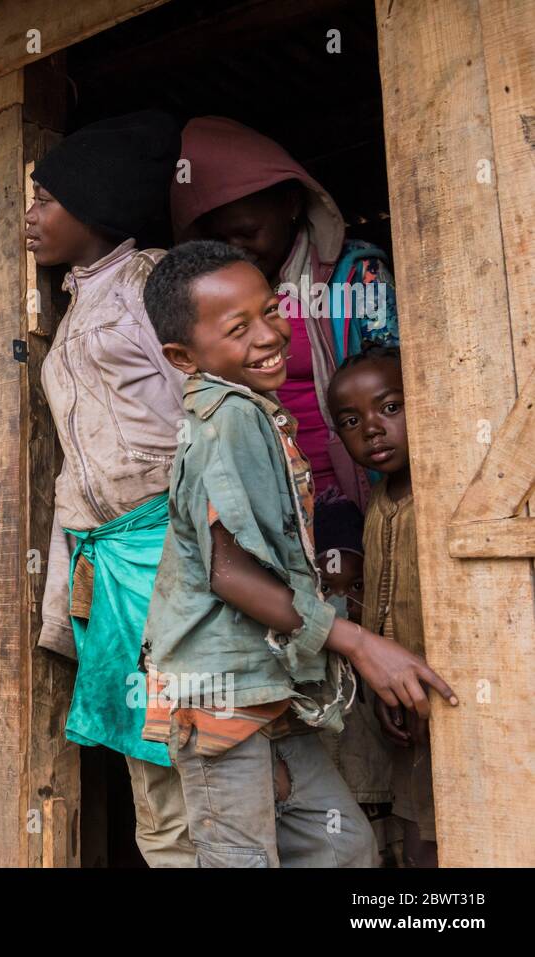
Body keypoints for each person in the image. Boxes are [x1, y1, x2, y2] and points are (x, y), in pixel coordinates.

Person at [139, 240, 455, 867]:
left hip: (268, 685)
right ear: (182, 356)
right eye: (238, 328)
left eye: (271, 309)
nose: (269, 334)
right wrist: (361, 643)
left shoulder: (256, 412)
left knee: (340, 846)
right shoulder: (227, 418)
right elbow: (229, 574)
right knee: (242, 858)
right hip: (221, 691)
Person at [27, 110, 194, 867]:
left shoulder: (147, 283)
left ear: (95, 205)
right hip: (110, 562)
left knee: (188, 748)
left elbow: (203, 411)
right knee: (147, 759)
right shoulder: (76, 303)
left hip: (167, 552)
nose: (29, 216)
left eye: (44, 200)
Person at [170, 116, 400, 512]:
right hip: (275, 496)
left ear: (291, 205)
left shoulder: (356, 277)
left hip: (371, 487)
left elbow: (403, 387)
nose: (236, 248)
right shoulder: (218, 297)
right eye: (222, 238)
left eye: (247, 231)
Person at [328, 345, 435, 867]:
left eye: (391, 407)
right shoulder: (380, 504)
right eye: (351, 420)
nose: (372, 428)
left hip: (454, 703)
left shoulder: (442, 496)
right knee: (419, 836)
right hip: (404, 707)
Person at [314, 497, 398, 866]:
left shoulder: (386, 666)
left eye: (357, 586)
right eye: (327, 589)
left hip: (379, 809)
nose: (343, 604)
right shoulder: (300, 672)